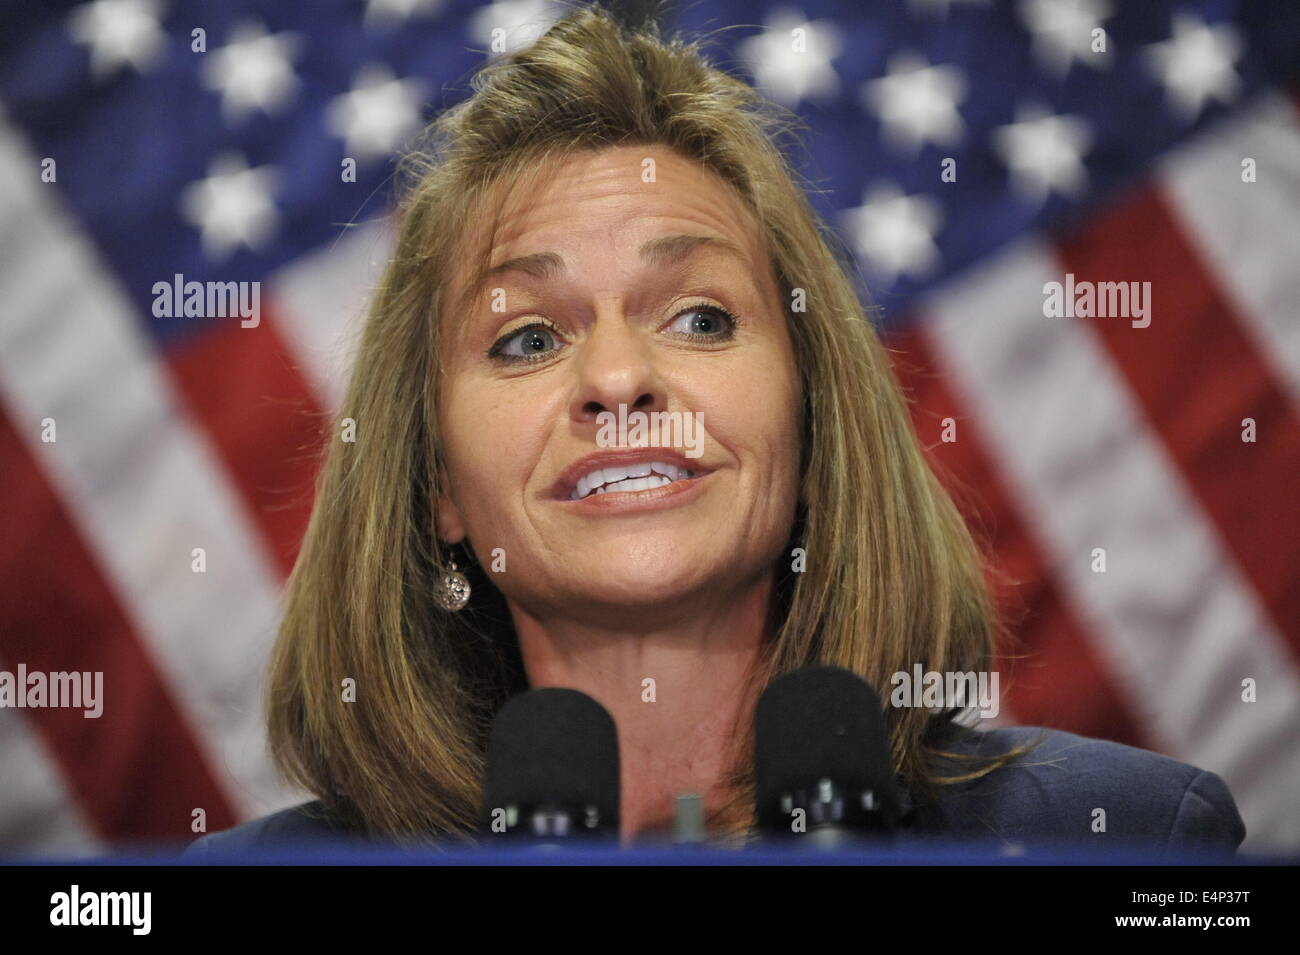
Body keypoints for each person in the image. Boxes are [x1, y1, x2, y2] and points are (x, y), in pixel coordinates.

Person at [185, 4, 1243, 856]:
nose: (615, 378)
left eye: (699, 317)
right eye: (524, 340)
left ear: (816, 427)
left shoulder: (1124, 843)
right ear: (438, 488)